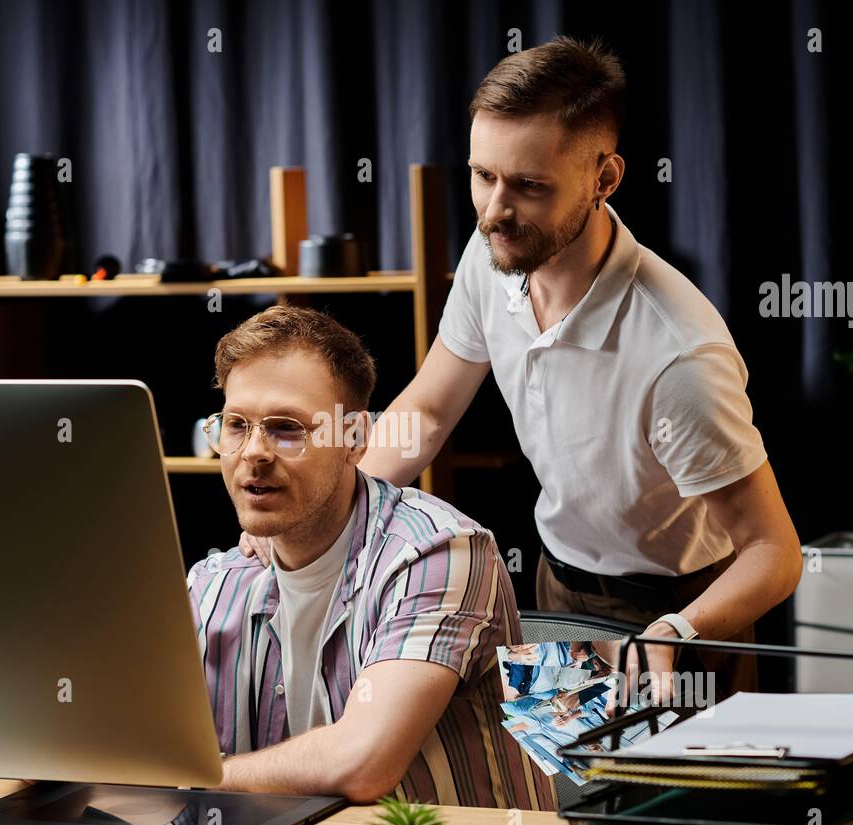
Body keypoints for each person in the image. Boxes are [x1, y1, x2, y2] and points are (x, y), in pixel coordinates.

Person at [243, 36, 803, 715]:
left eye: (529, 186)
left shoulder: (679, 354)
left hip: (684, 613)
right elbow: (425, 415)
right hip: (556, 583)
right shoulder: (494, 254)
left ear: (606, 178)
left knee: (676, 818)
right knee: (561, 806)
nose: (494, 211)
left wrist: (680, 630)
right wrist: (322, 505)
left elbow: (774, 552)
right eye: (484, 176)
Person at [187, 304, 556, 809]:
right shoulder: (213, 584)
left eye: (286, 427)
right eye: (236, 425)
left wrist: (189, 780)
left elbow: (363, 763)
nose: (254, 451)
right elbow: (130, 732)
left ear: (355, 439)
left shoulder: (440, 551)